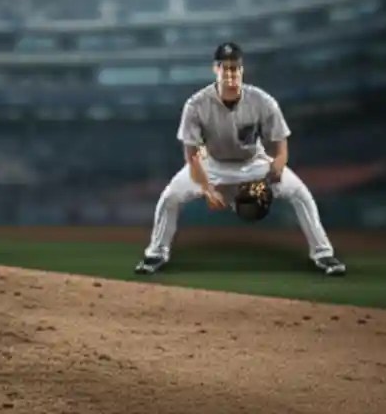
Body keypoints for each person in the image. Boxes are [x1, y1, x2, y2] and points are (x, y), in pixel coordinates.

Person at [134, 42, 347, 276]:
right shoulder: (196, 104)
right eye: (225, 68)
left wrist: (277, 167)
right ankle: (156, 253)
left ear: (242, 70)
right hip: (211, 164)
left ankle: (323, 254)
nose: (230, 73)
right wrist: (207, 189)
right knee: (170, 197)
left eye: (234, 68)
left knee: (300, 193)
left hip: (254, 163)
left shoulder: (262, 101)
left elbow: (281, 148)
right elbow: (192, 156)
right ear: (215, 70)